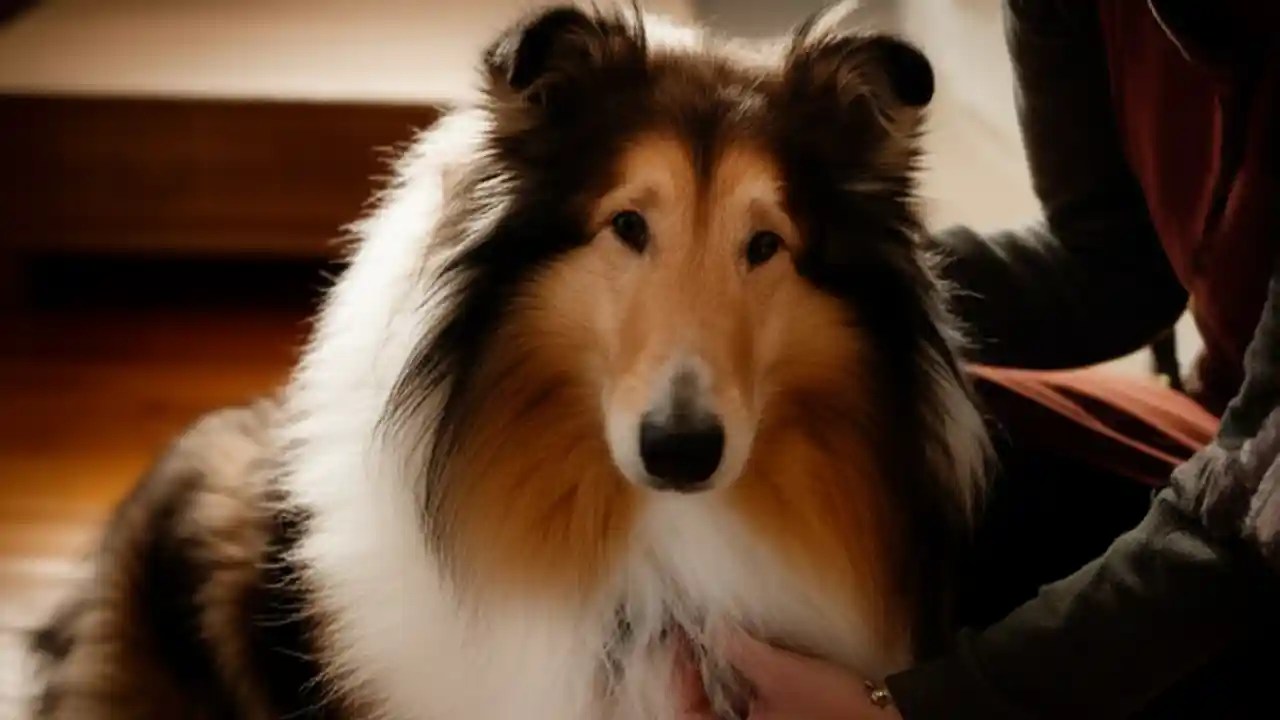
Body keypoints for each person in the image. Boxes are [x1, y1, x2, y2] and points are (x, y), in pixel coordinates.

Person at [683, 1, 1280, 717]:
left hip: (1258, 497)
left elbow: (1254, 507)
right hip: (1224, 433)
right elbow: (1111, 268)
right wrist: (809, 284)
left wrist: (908, 707)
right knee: (893, 414)